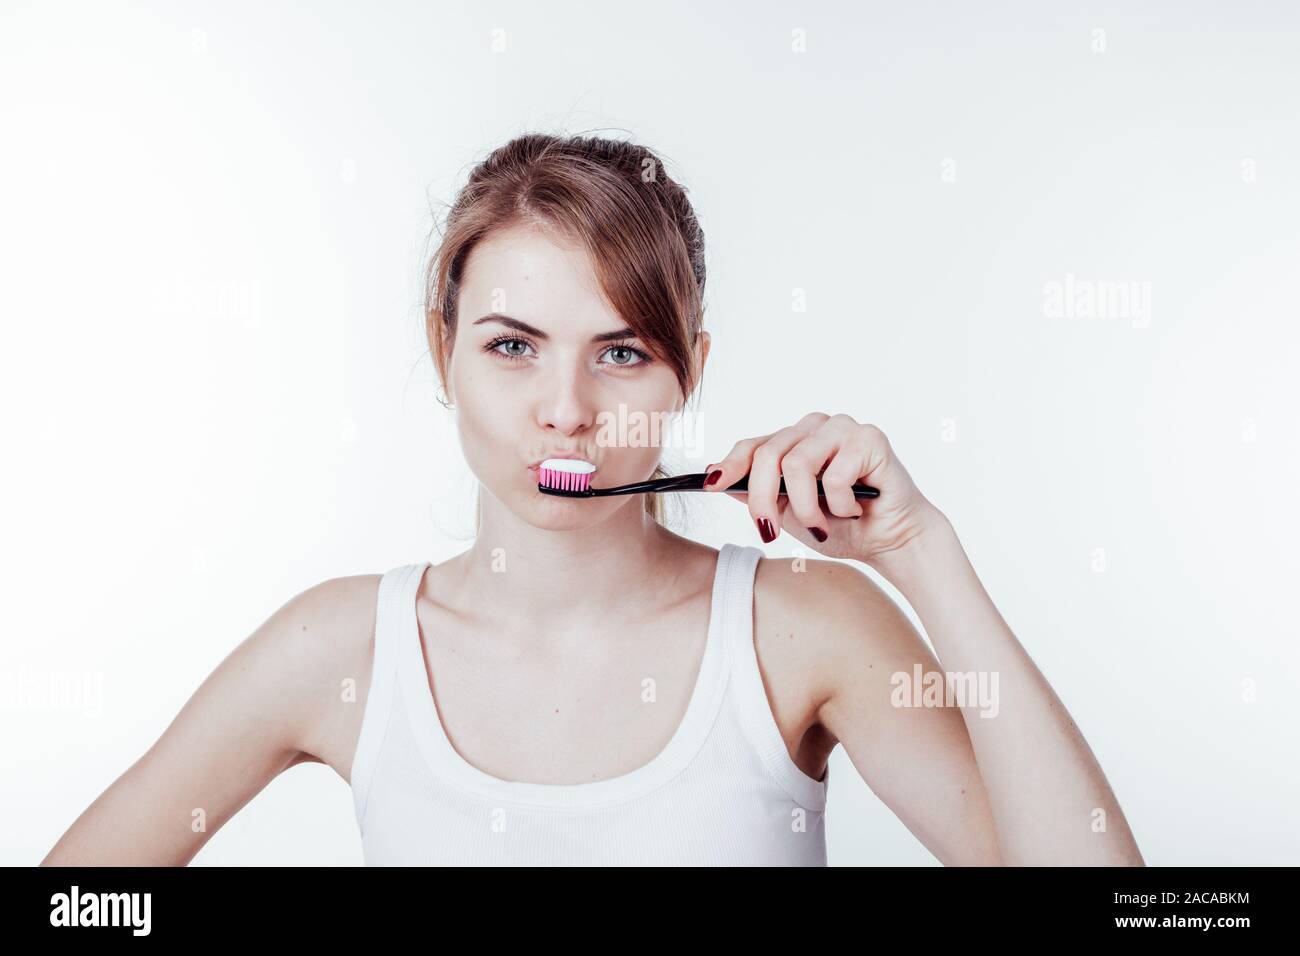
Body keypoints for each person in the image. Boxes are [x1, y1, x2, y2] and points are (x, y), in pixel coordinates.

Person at [41, 133, 1144, 866]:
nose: (565, 410)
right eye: (512, 345)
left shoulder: (802, 629)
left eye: (619, 352)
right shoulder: (340, 647)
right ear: (444, 352)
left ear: (689, 369)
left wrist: (919, 548)